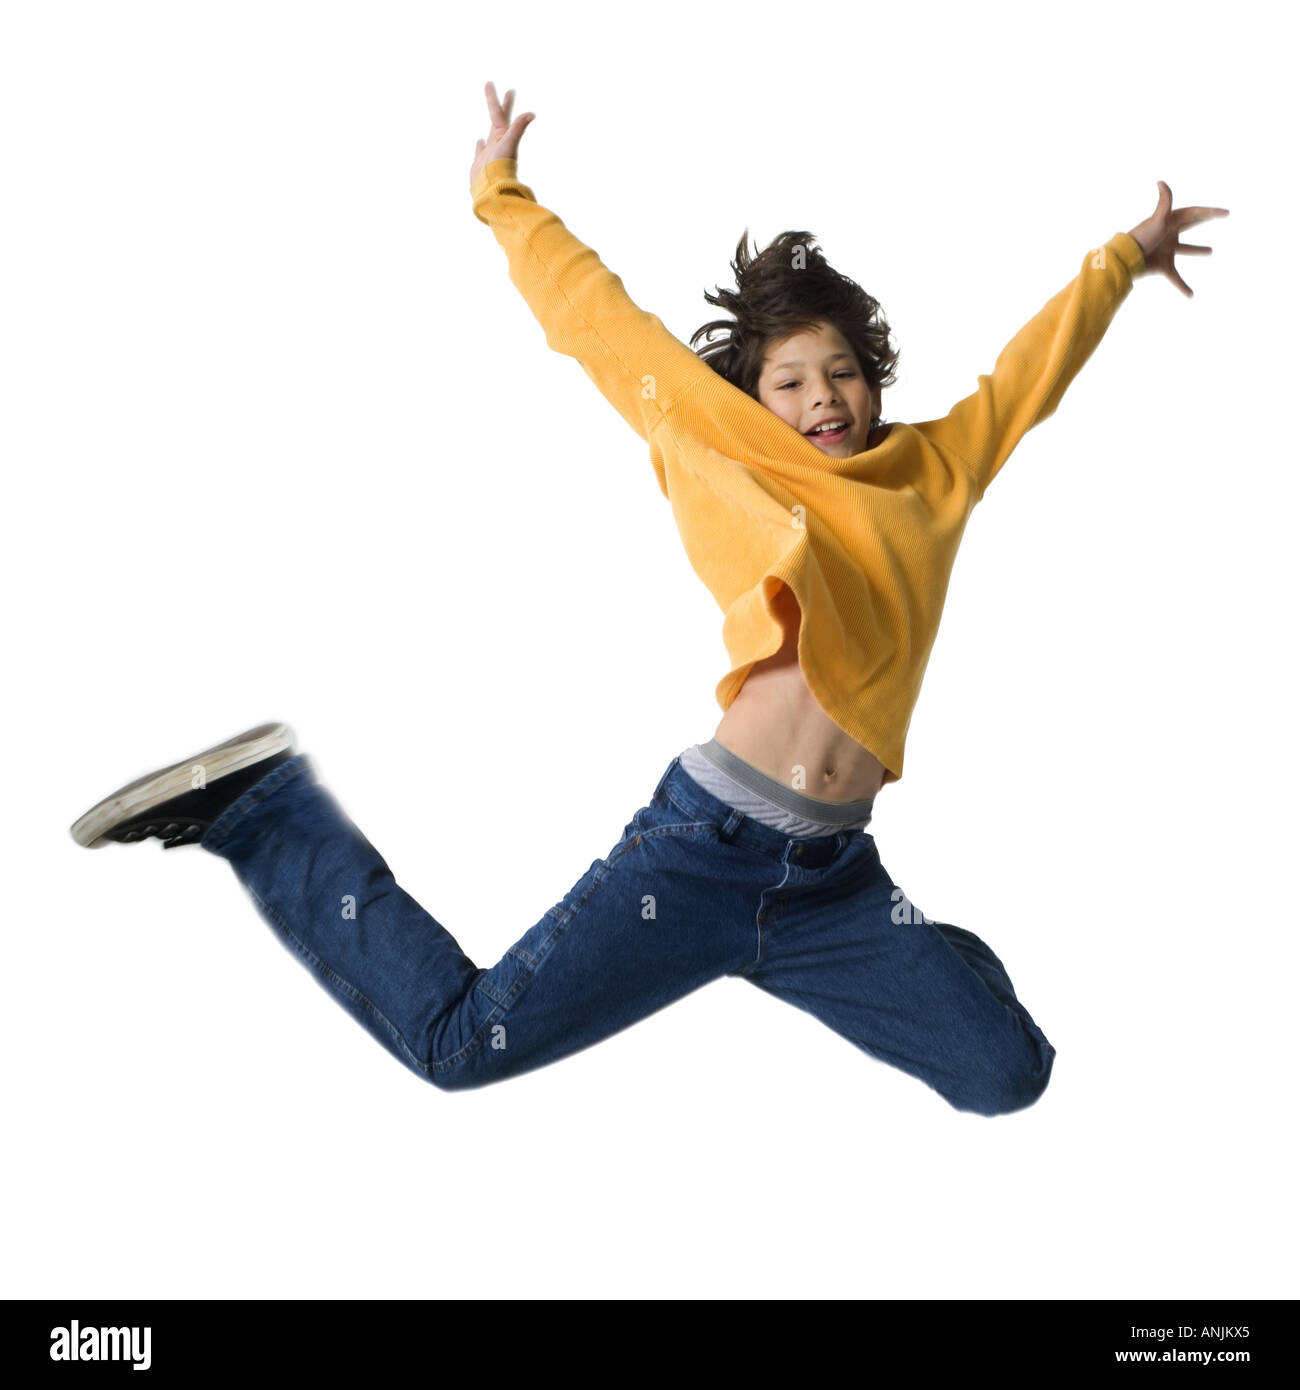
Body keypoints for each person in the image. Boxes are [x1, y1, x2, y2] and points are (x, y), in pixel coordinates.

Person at [69, 82, 1228, 1115]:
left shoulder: (935, 466)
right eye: (790, 380)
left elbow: (1026, 375)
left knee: (1009, 1076)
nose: (822, 396)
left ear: (874, 381)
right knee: (459, 1046)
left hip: (834, 883)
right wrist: (501, 194)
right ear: (753, 396)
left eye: (842, 372)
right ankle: (268, 810)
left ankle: (903, 947)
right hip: (701, 853)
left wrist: (1120, 258)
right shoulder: (716, 434)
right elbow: (596, 318)